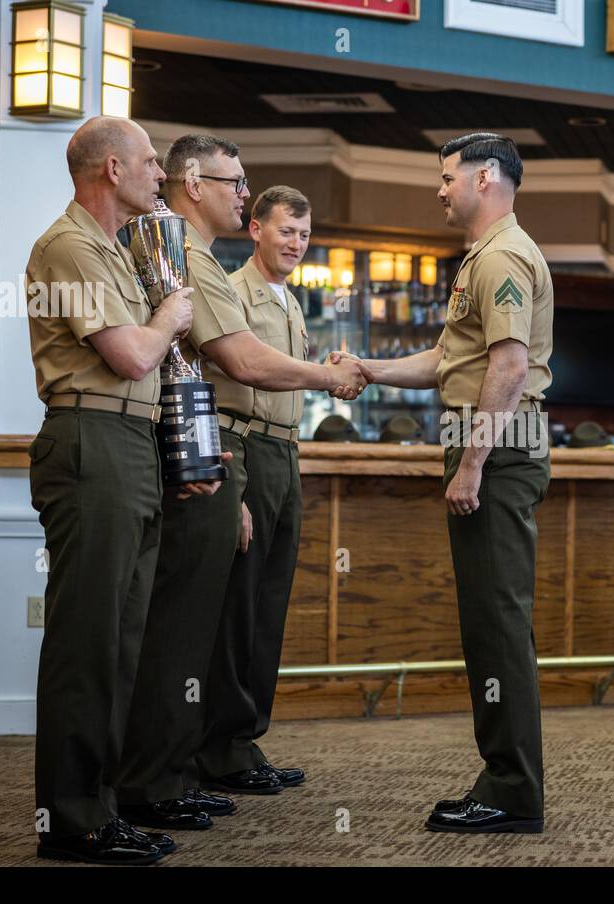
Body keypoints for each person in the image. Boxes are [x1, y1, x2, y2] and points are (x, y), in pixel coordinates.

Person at [116, 139, 367, 831]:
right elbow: (240, 365)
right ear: (194, 181)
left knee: (204, 625)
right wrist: (329, 378)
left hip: (216, 455)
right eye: (235, 182)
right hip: (203, 454)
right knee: (187, 627)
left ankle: (173, 769)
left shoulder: (194, 254)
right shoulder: (187, 252)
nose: (242, 193)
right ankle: (158, 776)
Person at [331, 132, 553, 832]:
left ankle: (513, 790)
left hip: (499, 444)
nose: (440, 188)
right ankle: (505, 778)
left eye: (448, 176)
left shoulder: (506, 255)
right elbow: (448, 358)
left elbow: (510, 368)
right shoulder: (483, 259)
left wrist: (473, 460)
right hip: (488, 439)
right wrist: (371, 367)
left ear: (486, 176)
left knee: (498, 624)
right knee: (486, 622)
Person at [28, 116, 195, 865]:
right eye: (150, 162)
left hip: (130, 442)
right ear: (110, 170)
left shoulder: (117, 251)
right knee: (87, 642)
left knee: (121, 640)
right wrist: (170, 315)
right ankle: (70, 820)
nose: (160, 175)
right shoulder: (69, 245)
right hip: (91, 437)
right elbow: (131, 354)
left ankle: (99, 806)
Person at [193, 184, 357, 793]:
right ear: (256, 229)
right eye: (286, 231)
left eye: (305, 235)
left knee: (268, 605)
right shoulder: (230, 292)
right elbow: (242, 371)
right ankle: (218, 746)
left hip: (287, 454)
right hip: (247, 448)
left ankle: (244, 740)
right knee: (238, 603)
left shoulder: (289, 302)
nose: (297, 244)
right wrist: (328, 377)